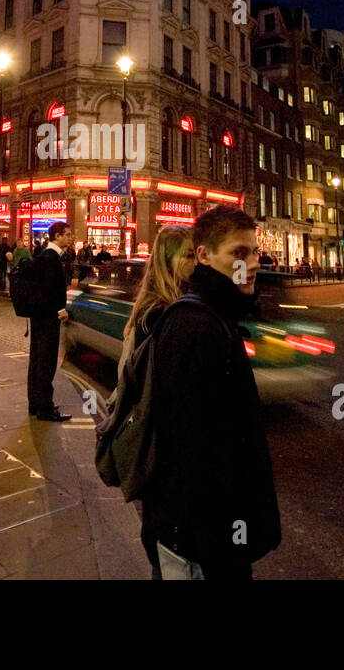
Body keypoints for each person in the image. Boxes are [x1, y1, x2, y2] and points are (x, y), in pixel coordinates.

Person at [142, 205, 280, 580]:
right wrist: (218, 547)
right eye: (238, 253)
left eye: (254, 252)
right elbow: (189, 451)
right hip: (203, 541)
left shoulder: (218, 317)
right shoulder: (196, 327)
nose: (252, 263)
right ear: (204, 255)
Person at [118, 225, 195, 579]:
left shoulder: (155, 306)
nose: (197, 263)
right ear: (169, 262)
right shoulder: (162, 314)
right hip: (163, 460)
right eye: (190, 256)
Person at [28, 221, 73, 421]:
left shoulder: (46, 256)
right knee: (45, 362)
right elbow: (49, 290)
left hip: (40, 317)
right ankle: (45, 408)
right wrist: (60, 309)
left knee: (37, 360)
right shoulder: (50, 258)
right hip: (47, 319)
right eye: (67, 234)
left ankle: (35, 404)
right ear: (57, 236)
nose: (70, 238)